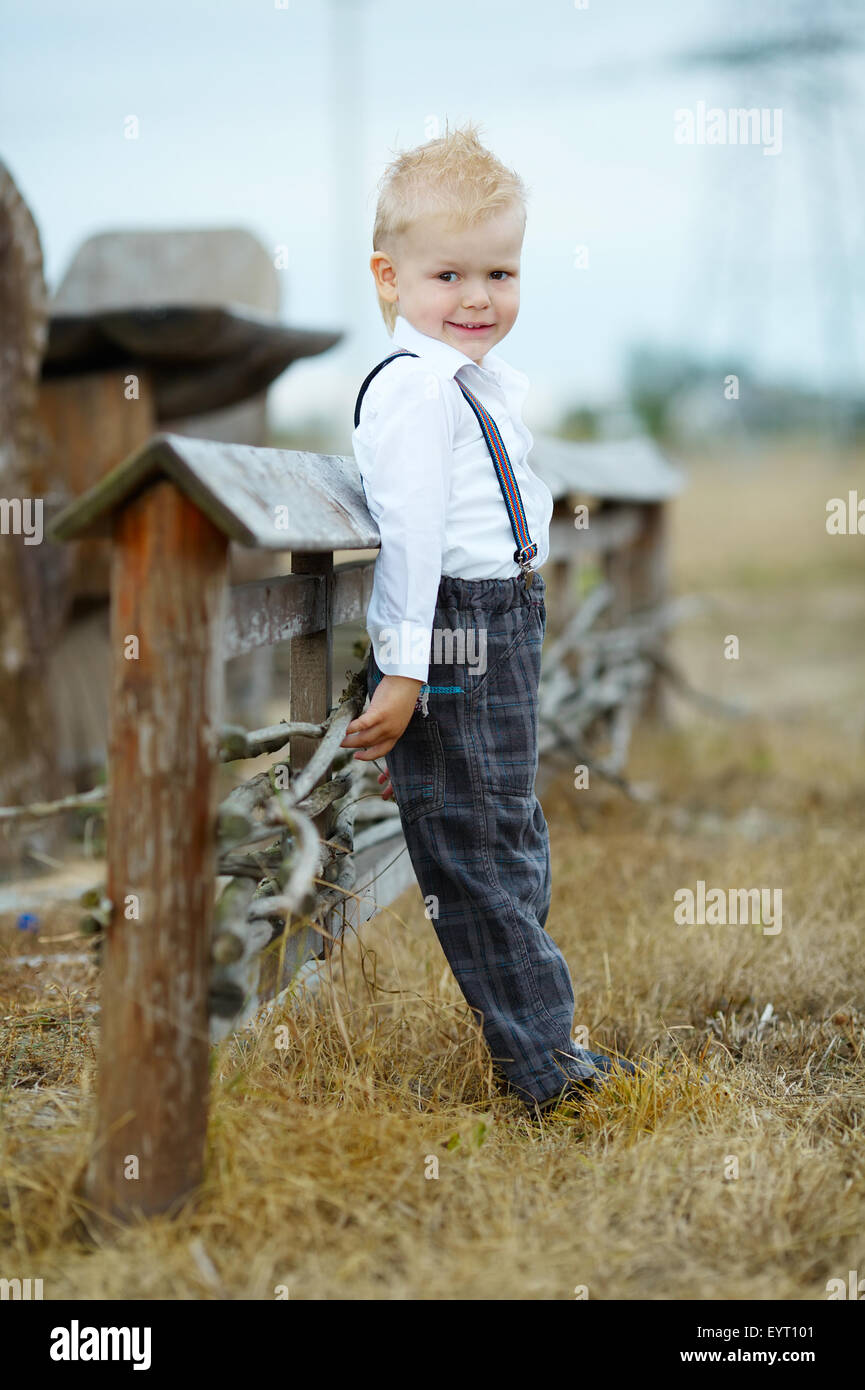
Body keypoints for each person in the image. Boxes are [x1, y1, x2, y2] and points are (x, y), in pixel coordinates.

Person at [341, 120, 637, 1113]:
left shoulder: (478, 383)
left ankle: (538, 1038)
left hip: (503, 617)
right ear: (389, 279)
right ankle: (546, 1068)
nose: (477, 298)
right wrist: (405, 669)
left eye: (500, 274)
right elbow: (412, 538)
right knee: (473, 849)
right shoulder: (410, 392)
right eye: (448, 276)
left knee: (510, 831)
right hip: (453, 631)